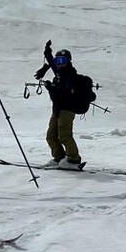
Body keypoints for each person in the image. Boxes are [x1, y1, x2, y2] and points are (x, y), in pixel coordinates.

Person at [33, 40, 86, 170]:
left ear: (68, 61)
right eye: (58, 61)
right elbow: (51, 61)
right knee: (51, 136)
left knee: (64, 135)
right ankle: (59, 158)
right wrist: (47, 50)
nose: (59, 64)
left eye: (62, 61)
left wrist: (50, 87)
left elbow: (64, 93)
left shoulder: (70, 75)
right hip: (57, 109)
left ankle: (73, 159)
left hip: (67, 109)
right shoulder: (59, 72)